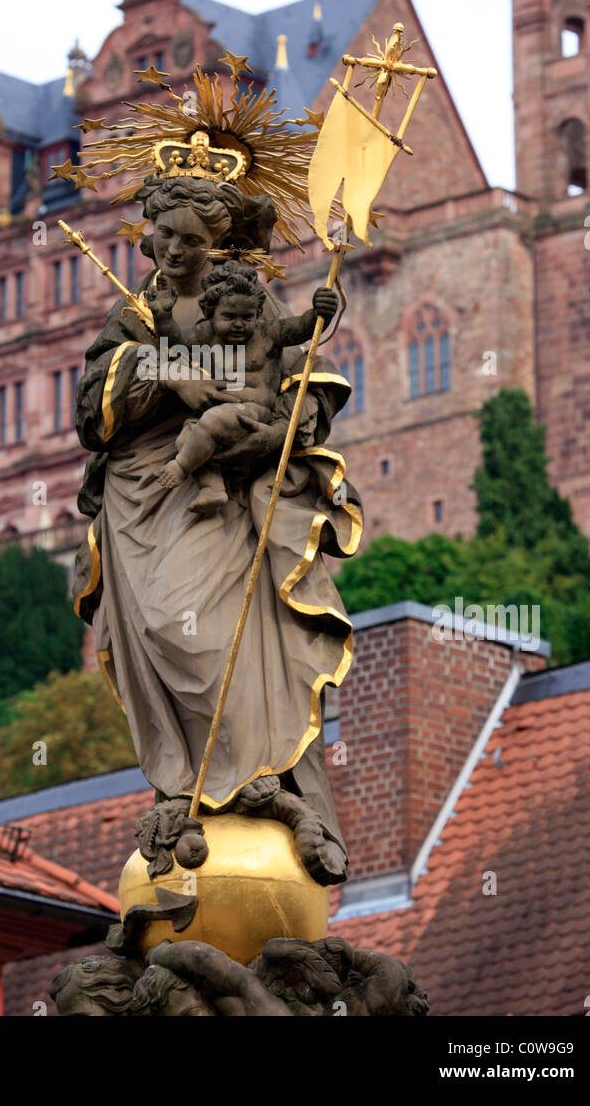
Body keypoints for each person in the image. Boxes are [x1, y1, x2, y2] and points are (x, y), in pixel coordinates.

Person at [72, 175, 362, 874]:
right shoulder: (139, 312)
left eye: (191, 241)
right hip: (147, 498)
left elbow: (300, 369)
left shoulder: (245, 299)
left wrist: (284, 424)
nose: (173, 251)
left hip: (228, 491)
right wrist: (169, 370)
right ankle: (193, 784)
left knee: (217, 635)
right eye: (163, 236)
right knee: (164, 630)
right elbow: (90, 413)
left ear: (218, 244)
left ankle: (257, 781)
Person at [148, 261, 341, 515]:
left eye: (247, 317)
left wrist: (320, 312)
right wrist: (163, 316)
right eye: (229, 317)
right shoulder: (206, 334)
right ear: (210, 313)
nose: (239, 324)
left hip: (253, 412)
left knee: (210, 423)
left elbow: (301, 329)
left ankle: (179, 469)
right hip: (219, 416)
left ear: (258, 313)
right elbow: (175, 341)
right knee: (187, 437)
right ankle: (213, 487)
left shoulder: (268, 334)